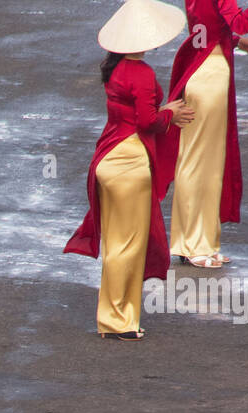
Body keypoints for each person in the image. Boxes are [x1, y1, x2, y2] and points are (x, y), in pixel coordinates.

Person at [64, 0, 195, 340]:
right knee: (130, 244)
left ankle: (112, 316)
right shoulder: (143, 73)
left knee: (115, 243)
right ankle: (120, 319)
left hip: (107, 156)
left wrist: (162, 111)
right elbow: (148, 122)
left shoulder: (115, 69)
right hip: (131, 163)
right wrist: (169, 114)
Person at [163, 0, 248, 268]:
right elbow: (241, 22)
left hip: (201, 69)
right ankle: (192, 244)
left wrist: (235, 42)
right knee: (201, 162)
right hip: (210, 77)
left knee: (203, 160)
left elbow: (206, 28)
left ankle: (202, 242)